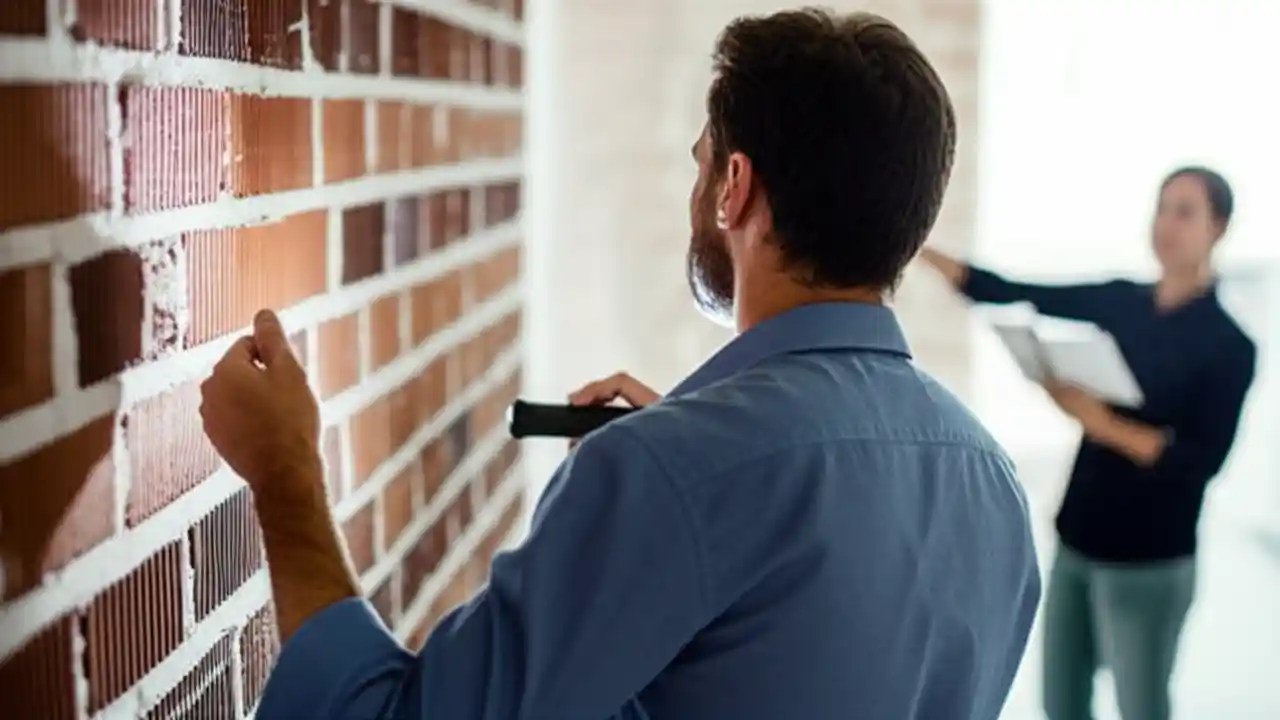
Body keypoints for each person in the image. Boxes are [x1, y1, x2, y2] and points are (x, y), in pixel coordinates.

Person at [200, 10, 1040, 719]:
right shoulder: (992, 486)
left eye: (704, 159)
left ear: (734, 186)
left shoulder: (669, 472)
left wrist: (285, 477)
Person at [921, 167, 1256, 720]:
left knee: (1140, 706)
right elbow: (1015, 292)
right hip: (1078, 540)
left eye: (1185, 211)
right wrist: (922, 253)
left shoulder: (1230, 346)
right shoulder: (1124, 301)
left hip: (1149, 562)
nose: (1166, 223)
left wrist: (1097, 421)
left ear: (1219, 228)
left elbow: (1199, 463)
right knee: (1062, 705)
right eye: (1162, 206)